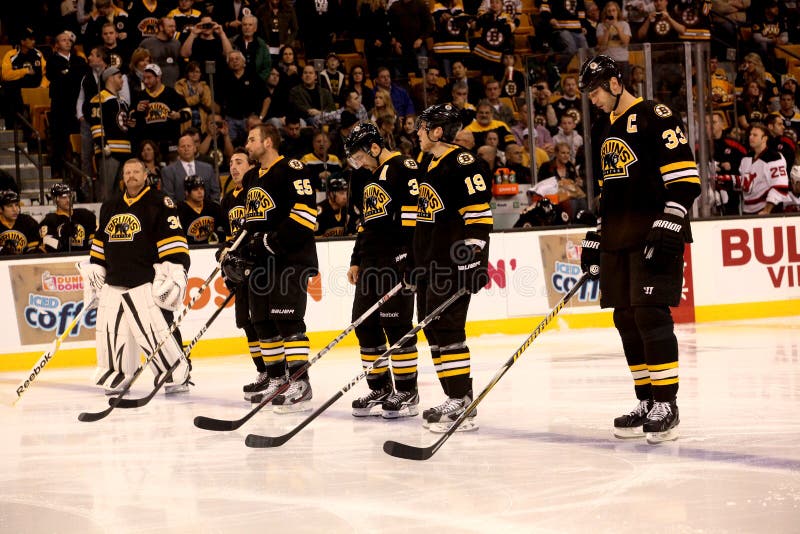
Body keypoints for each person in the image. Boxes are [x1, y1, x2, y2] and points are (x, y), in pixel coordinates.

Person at [578, 55, 701, 443]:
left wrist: (671, 219)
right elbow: (607, 191)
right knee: (626, 318)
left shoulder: (655, 114)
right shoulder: (604, 127)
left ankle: (667, 403)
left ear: (616, 83)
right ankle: (646, 399)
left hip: (654, 233)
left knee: (650, 313)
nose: (593, 99)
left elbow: (685, 176)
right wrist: (598, 234)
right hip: (618, 236)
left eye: (596, 91)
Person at [80, 158, 191, 395]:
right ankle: (118, 374)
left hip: (146, 282)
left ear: (145, 174)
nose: (131, 175)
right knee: (111, 332)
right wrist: (96, 270)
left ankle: (176, 373)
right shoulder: (110, 206)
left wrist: (176, 271)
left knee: (159, 330)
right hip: (115, 281)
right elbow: (100, 245)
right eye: (127, 172)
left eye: (136, 171)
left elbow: (174, 245)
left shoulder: (160, 203)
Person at [413, 103, 493, 432]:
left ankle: (461, 400)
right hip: (429, 264)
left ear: (436, 131)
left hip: (453, 264)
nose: (417, 133)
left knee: (449, 331)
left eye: (422, 127)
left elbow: (478, 216)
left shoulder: (463, 163)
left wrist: (473, 260)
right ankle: (454, 396)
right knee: (433, 331)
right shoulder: (426, 163)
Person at [235, 124, 318, 411]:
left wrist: (271, 242)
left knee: (287, 320)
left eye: (252, 138)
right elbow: (250, 223)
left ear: (268, 142)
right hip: (261, 262)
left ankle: (300, 382)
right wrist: (234, 249)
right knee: (262, 322)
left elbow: (306, 216)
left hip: (290, 258)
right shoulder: (251, 178)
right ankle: (277, 379)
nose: (247, 143)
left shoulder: (293, 169)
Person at [343, 122, 420, 418]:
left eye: (360, 155)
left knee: (397, 325)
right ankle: (381, 387)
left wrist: (412, 261)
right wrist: (356, 259)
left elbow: (415, 218)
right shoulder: (368, 177)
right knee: (364, 324)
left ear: (375, 147)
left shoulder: (404, 167)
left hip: (398, 258)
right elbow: (366, 225)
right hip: (372, 262)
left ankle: (407, 390)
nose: (358, 162)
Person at [218, 148, 265, 399]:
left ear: (251, 165)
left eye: (239, 162)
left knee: (262, 321)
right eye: (231, 163)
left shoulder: (255, 192)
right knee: (246, 323)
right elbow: (228, 238)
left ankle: (277, 371)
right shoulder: (227, 200)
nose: (234, 167)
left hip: (258, 264)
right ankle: (263, 371)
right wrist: (223, 255)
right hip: (241, 268)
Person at [46, 31, 88, 182]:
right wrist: (71, 76)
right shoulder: (52, 60)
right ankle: (57, 169)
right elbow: (54, 77)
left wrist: (68, 75)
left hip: (77, 104)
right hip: (60, 106)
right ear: (57, 44)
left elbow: (82, 77)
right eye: (63, 40)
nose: (67, 42)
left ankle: (78, 171)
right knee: (59, 138)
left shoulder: (78, 60)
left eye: (69, 40)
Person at [725, 123, 789, 215]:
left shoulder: (774, 157)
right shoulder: (746, 159)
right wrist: (728, 180)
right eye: (750, 134)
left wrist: (767, 210)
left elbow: (780, 186)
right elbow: (746, 183)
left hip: (767, 211)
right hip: (748, 211)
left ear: (764, 138)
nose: (751, 137)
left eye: (755, 135)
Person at [89, 66, 132, 201]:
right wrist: (102, 143)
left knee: (121, 192)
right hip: (109, 152)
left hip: (125, 151)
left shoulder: (123, 100)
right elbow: (96, 123)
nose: (122, 81)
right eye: (119, 77)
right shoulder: (100, 98)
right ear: (110, 78)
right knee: (106, 192)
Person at [131, 63, 191, 159]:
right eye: (144, 78)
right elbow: (131, 122)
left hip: (171, 147)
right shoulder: (139, 96)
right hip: (149, 149)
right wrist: (136, 111)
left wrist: (179, 115)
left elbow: (188, 112)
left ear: (158, 77)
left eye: (149, 78)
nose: (145, 81)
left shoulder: (171, 93)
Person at [1, 27, 46, 131]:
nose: (33, 41)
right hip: (16, 91)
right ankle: (13, 128)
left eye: (34, 39)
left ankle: (34, 133)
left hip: (35, 89)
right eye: (30, 39)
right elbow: (5, 75)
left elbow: (46, 72)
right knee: (8, 91)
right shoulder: (11, 54)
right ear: (22, 41)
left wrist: (42, 86)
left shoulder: (38, 54)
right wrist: (25, 71)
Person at [162, 132, 219, 202]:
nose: (186, 149)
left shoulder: (208, 168)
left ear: (194, 148)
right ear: (178, 150)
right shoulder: (168, 171)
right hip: (180, 211)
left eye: (189, 146)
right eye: (183, 146)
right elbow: (169, 198)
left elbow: (215, 193)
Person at [40, 183, 97, 253]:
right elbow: (48, 247)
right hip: (62, 260)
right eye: (64, 197)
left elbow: (94, 241)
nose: (68, 200)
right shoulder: (49, 220)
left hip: (84, 259)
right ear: (55, 199)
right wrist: (63, 237)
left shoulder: (85, 215)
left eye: (69, 196)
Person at [177, 174, 227, 245]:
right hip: (191, 250)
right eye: (195, 189)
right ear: (187, 192)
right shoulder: (179, 211)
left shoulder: (213, 207)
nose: (200, 192)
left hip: (212, 248)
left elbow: (224, 229)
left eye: (201, 188)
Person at [140, 17, 182, 87]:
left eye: (174, 26)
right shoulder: (147, 43)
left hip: (174, 87)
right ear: (161, 27)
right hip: (153, 87)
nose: (174, 29)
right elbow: (137, 64)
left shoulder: (177, 43)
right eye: (170, 26)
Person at [0, 190, 41, 255]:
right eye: (10, 206)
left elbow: (37, 246)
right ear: (0, 209)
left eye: (16, 205)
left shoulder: (27, 221)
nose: (15, 209)